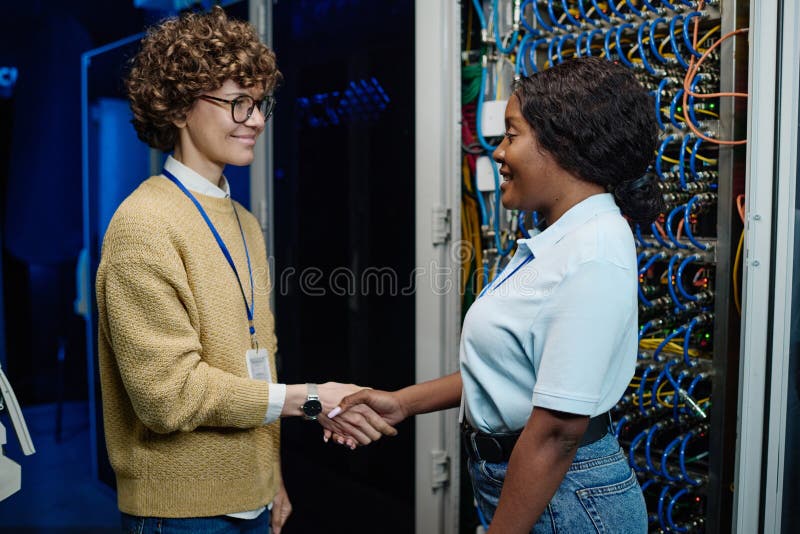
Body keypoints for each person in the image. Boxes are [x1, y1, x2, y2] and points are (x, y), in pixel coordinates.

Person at [330, 56, 663, 533]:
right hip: (528, 484)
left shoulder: (591, 252)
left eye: (512, 134)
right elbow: (515, 372)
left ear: (564, 143)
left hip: (567, 500)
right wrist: (403, 403)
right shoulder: (560, 239)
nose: (499, 151)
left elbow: (555, 432)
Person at [96, 7, 392, 533]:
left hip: (252, 498)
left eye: (259, 104)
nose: (256, 119)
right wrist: (311, 399)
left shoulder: (246, 222)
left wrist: (269, 475)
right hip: (181, 513)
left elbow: (257, 361)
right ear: (181, 108)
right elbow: (168, 397)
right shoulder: (142, 225)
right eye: (238, 103)